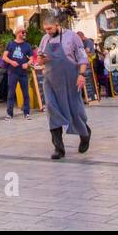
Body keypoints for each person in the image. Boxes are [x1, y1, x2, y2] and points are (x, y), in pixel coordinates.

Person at [37, 14, 91, 159]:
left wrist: (81, 75)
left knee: (75, 110)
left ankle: (85, 133)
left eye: (50, 28)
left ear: (57, 24)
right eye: (45, 29)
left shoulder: (73, 37)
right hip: (51, 80)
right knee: (52, 110)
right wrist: (42, 59)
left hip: (70, 79)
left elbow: (82, 57)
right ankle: (59, 149)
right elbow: (40, 59)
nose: (48, 31)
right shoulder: (45, 39)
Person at [1, 26, 34, 120]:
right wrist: (11, 62)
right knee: (11, 93)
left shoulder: (27, 45)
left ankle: (26, 113)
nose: (24, 34)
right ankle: (9, 113)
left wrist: (27, 64)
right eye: (22, 32)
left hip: (23, 72)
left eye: (24, 32)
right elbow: (4, 57)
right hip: (12, 72)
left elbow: (32, 58)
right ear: (18, 33)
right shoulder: (10, 44)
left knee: (25, 93)